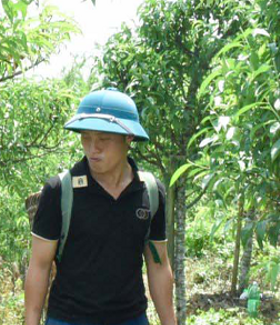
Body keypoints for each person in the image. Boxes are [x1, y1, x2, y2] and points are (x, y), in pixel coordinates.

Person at [24, 88, 175, 325]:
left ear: (128, 138)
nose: (93, 148)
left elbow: (158, 264)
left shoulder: (150, 192)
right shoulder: (61, 191)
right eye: (86, 137)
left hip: (130, 318)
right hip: (69, 318)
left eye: (104, 139)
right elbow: (39, 266)